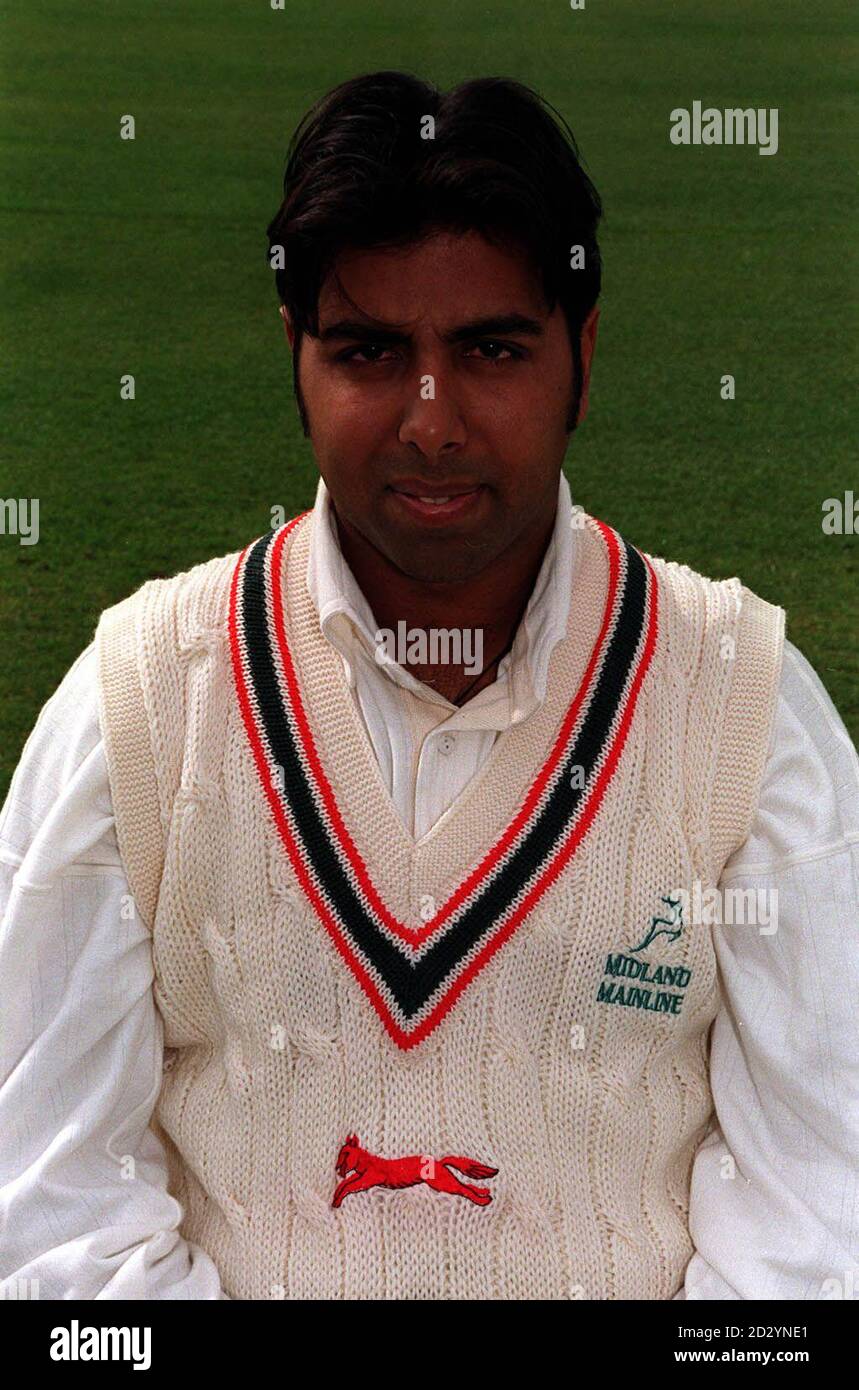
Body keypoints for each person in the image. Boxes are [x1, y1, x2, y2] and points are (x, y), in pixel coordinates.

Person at [1, 71, 857, 1301]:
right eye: (368, 351)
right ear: (294, 357)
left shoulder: (743, 703)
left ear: (583, 351)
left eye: (491, 349)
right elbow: (41, 1224)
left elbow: (825, 1231)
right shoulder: (135, 703)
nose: (430, 418)